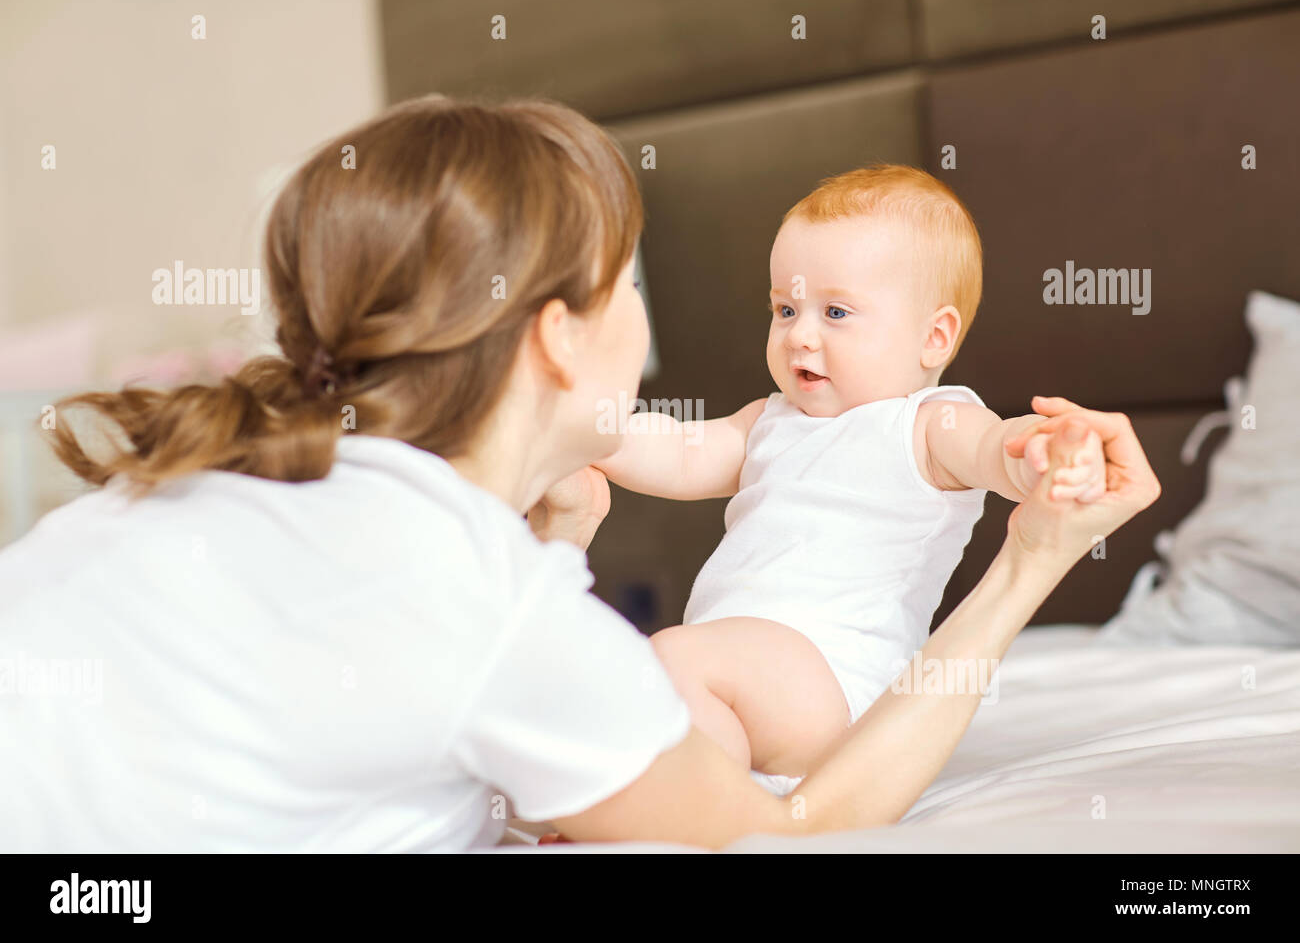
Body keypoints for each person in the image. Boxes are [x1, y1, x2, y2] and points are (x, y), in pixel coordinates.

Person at [0, 94, 1160, 851]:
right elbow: (799, 826)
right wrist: (1029, 565)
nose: (795, 333)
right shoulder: (488, 603)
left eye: (835, 310)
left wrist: (549, 534)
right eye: (627, 284)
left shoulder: (171, 497)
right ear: (560, 337)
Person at [593, 164, 1108, 797]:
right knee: (627, 684)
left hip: (838, 689)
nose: (799, 335)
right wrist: (592, 428)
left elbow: (995, 449)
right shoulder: (771, 420)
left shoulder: (928, 423)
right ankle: (644, 805)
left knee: (673, 658)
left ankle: (693, 808)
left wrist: (1044, 452)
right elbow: (679, 452)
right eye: (785, 309)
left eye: (835, 312)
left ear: (934, 337)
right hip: (744, 682)